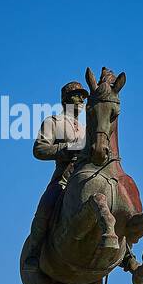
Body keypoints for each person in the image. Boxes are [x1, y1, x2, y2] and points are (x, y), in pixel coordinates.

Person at [25, 81, 87, 267]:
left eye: (83, 96)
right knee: (46, 207)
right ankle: (34, 251)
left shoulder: (87, 128)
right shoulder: (53, 122)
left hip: (86, 177)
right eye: (77, 95)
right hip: (64, 179)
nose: (82, 99)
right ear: (65, 99)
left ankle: (125, 254)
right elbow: (39, 150)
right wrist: (66, 149)